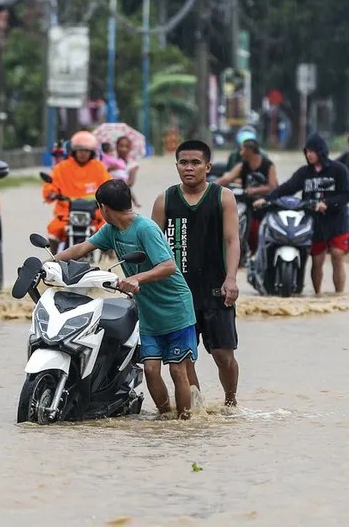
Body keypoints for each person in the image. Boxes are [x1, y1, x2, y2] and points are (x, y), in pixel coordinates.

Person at [52, 180, 197, 419]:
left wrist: (137, 278)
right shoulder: (111, 230)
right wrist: (51, 261)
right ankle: (165, 418)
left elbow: (169, 266)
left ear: (104, 208)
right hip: (148, 312)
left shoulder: (145, 229)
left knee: (177, 371)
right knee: (150, 369)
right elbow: (82, 248)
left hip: (175, 309)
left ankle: (184, 424)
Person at [153, 140, 242, 408]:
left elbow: (232, 241)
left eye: (195, 163)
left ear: (208, 166)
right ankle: (198, 408)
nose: (189, 168)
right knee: (184, 358)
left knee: (222, 354)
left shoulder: (223, 197)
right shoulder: (164, 200)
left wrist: (231, 278)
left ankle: (230, 401)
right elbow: (152, 244)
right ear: (177, 165)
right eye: (183, 162)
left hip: (216, 289)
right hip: (178, 293)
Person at [254, 133, 349, 294]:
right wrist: (267, 199)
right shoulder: (304, 172)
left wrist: (327, 204)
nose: (309, 155)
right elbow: (287, 188)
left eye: (312, 151)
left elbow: (347, 194)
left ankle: (338, 296)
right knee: (317, 259)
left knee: (337, 256)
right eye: (307, 152)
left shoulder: (339, 170)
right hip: (314, 223)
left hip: (337, 221)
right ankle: (318, 295)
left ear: (321, 151)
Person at [41, 131, 111, 246]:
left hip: (95, 213)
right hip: (66, 213)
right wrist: (51, 193)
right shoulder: (61, 168)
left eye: (86, 150)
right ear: (74, 151)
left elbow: (108, 184)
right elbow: (51, 184)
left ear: (92, 152)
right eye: (80, 150)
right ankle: (54, 259)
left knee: (110, 230)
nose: (83, 154)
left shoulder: (99, 168)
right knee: (53, 230)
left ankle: (109, 259)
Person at [215, 138, 278, 255]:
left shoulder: (268, 165)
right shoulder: (242, 165)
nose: (241, 153)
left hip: (264, 203)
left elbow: (272, 186)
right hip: (247, 202)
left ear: (250, 150)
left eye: (243, 149)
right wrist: (208, 187)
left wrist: (254, 190)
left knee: (258, 230)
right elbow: (226, 178)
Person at [114, 135, 141, 206]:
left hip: (124, 197)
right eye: (121, 146)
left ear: (130, 148)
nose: (123, 149)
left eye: (126, 146)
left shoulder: (133, 165)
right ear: (116, 147)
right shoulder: (111, 162)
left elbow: (130, 183)